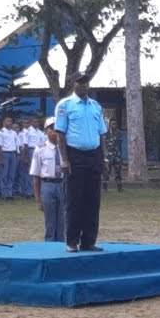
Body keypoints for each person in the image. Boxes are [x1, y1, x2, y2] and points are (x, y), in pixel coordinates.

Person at [55, 72, 109, 252]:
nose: (84, 85)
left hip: (94, 155)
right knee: (74, 200)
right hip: (74, 155)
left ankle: (89, 241)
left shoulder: (95, 106)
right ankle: (72, 241)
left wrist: (104, 156)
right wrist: (64, 159)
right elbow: (60, 134)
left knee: (93, 200)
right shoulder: (65, 105)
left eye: (86, 82)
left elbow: (102, 134)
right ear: (72, 84)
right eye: (80, 83)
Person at [31, 117, 68, 242]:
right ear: (46, 131)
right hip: (48, 184)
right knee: (50, 219)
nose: (54, 132)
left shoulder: (66, 149)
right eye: (51, 129)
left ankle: (61, 244)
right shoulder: (40, 149)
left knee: (63, 219)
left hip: (63, 184)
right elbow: (36, 176)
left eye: (57, 130)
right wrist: (37, 199)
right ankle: (49, 244)